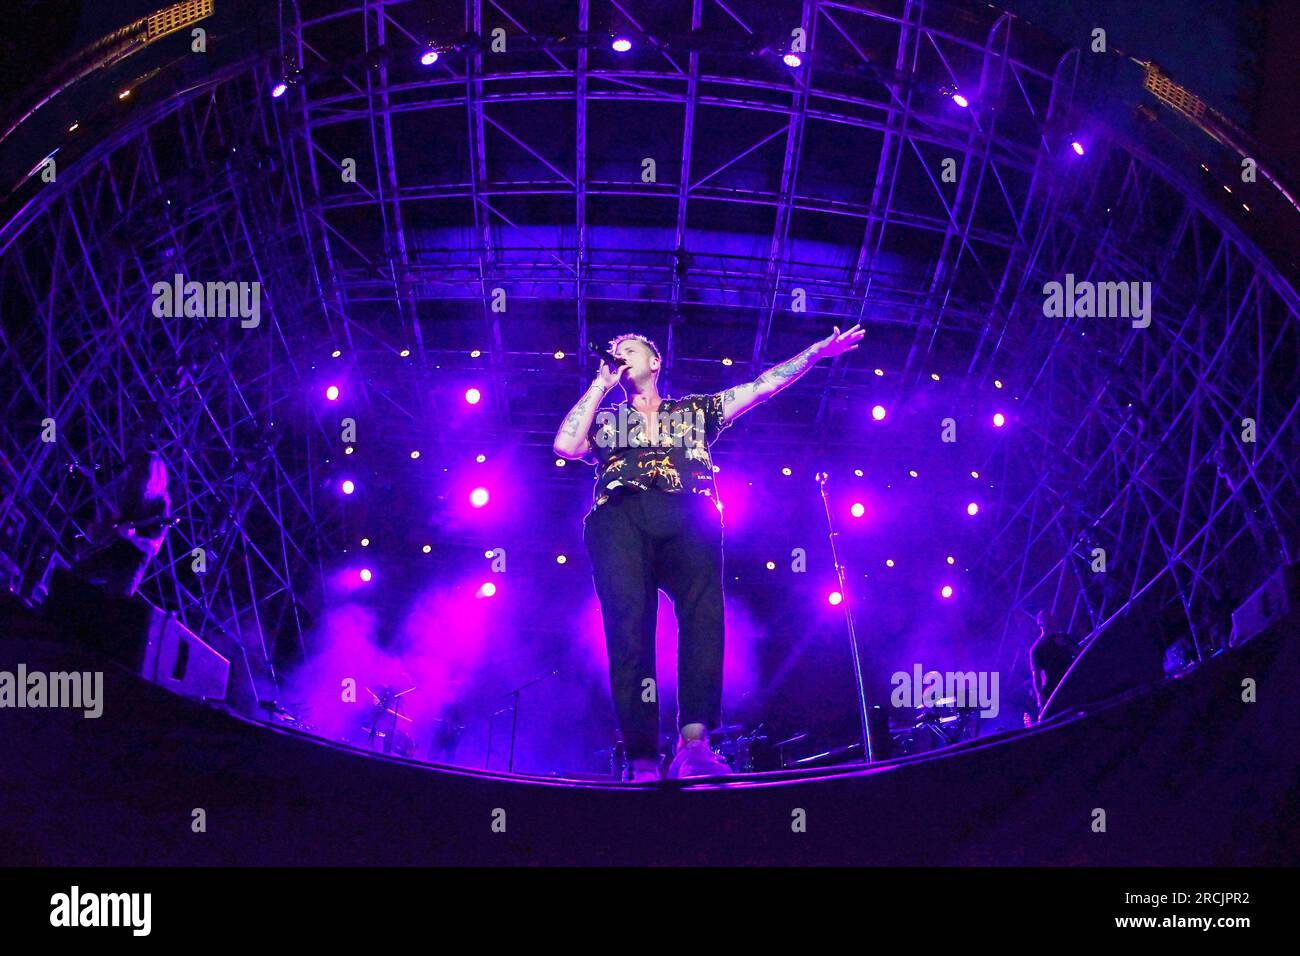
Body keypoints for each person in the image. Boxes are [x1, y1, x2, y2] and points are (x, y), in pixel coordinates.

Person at [553, 325, 865, 780]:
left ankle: (693, 742)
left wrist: (816, 352)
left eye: (631, 350)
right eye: (616, 352)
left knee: (703, 616)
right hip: (619, 515)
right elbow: (566, 445)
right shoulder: (606, 419)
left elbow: (762, 387)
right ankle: (641, 755)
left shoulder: (695, 411)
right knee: (628, 627)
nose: (621, 355)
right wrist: (601, 383)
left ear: (655, 362)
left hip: (689, 511)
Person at [72, 449, 172, 598]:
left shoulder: (161, 504)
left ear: (154, 478)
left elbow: (153, 547)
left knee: (116, 605)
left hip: (131, 563)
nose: (139, 478)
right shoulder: (128, 488)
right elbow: (108, 515)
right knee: (76, 576)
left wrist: (132, 537)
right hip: (110, 549)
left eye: (144, 474)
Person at [1026, 609, 1077, 722]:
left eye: (1050, 618)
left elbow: (1078, 654)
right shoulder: (1037, 648)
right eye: (1046, 618)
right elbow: (1036, 675)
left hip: (1070, 683)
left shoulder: (1063, 637)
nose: (1049, 621)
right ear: (1040, 623)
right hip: (1052, 689)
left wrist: (1065, 645)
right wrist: (1039, 695)